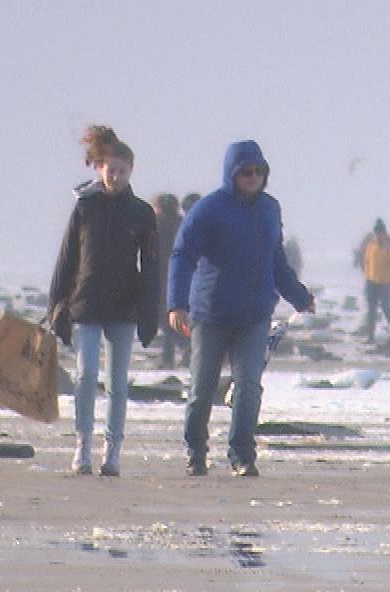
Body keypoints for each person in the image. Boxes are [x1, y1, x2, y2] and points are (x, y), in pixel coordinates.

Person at [167, 140, 314, 478]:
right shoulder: (208, 210)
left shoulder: (269, 209)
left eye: (258, 171)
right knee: (202, 390)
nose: (253, 177)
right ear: (232, 174)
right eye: (246, 172)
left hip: (254, 315)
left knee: (248, 386)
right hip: (211, 313)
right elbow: (182, 255)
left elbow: (275, 260)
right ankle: (195, 451)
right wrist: (176, 303)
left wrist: (299, 296)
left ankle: (242, 454)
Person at [48, 126, 158, 477]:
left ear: (131, 172)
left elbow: (152, 267)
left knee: (117, 383)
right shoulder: (85, 207)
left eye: (122, 171)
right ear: (99, 169)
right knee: (86, 375)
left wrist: (149, 313)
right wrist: (56, 304)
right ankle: (82, 446)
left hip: (123, 308)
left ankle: (113, 451)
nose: (116, 176)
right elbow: (67, 259)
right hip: (86, 305)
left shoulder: (141, 213)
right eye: (110, 169)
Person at [152, 193, 185, 369]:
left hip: (161, 278)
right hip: (180, 277)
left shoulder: (157, 225)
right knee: (172, 317)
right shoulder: (182, 224)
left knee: (163, 319)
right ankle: (168, 357)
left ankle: (186, 348)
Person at [358, 218, 390, 343]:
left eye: (381, 234)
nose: (379, 236)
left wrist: (387, 249)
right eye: (377, 234)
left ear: (385, 233)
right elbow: (366, 261)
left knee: (385, 307)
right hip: (371, 281)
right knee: (371, 310)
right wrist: (367, 275)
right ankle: (370, 337)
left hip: (386, 282)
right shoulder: (371, 245)